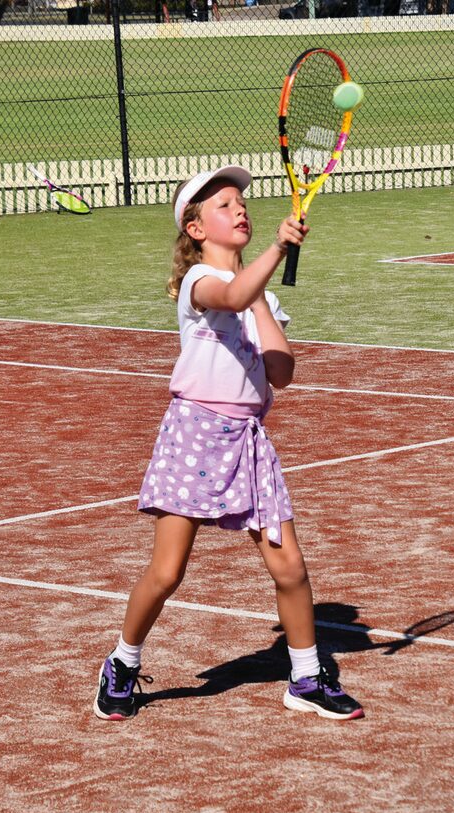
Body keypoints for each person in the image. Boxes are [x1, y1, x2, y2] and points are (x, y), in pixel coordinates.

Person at [93, 165, 364, 722]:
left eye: (242, 202)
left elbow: (282, 372)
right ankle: (121, 662)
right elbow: (232, 291)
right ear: (195, 229)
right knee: (167, 572)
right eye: (224, 205)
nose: (240, 209)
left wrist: (263, 298)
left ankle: (307, 677)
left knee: (290, 567)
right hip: (193, 434)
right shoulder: (198, 285)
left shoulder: (254, 293)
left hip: (248, 441)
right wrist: (270, 255)